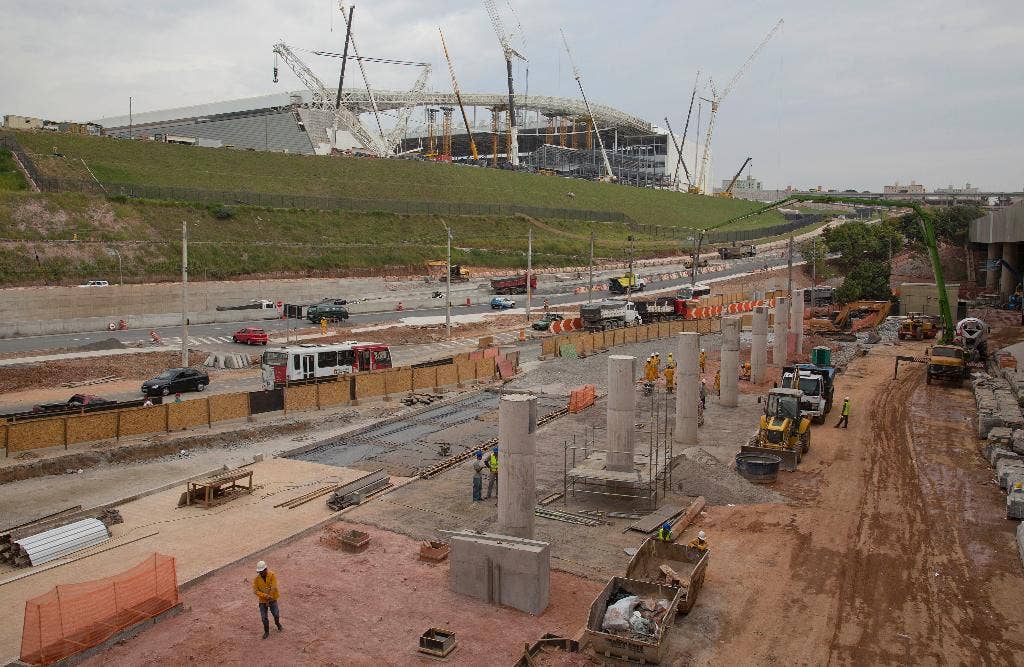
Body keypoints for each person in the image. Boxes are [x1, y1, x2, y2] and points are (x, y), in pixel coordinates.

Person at [252, 560, 283, 639]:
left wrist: (269, 598)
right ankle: (266, 631)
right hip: (263, 600)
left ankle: (278, 624)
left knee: (276, 614)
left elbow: (273, 587)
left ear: (266, 569)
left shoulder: (272, 575)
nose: (261, 573)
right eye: (259, 572)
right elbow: (255, 591)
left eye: (262, 571)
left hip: (272, 599)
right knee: (264, 617)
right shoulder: (256, 580)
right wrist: (265, 596)